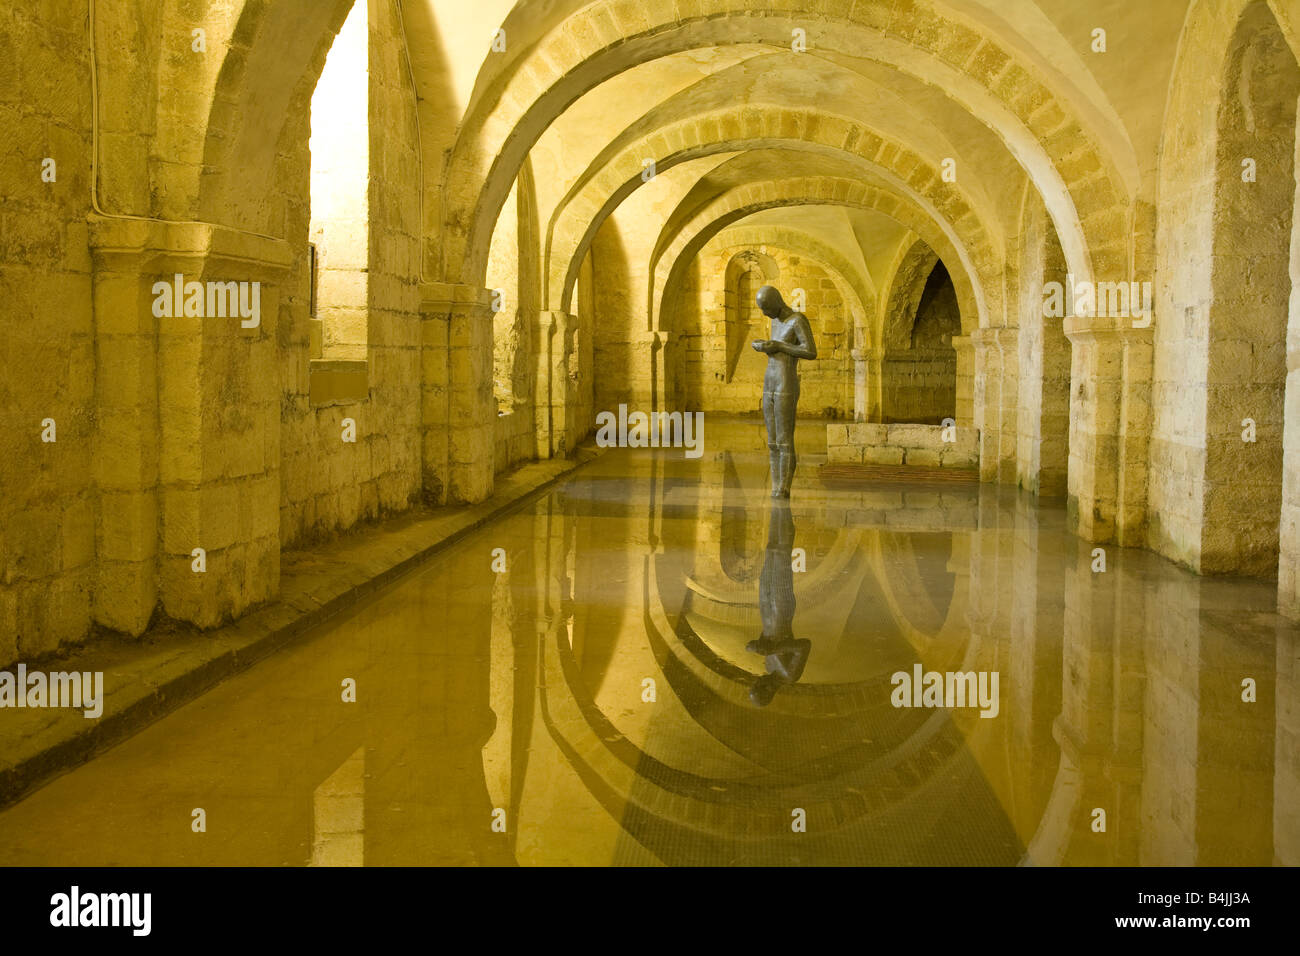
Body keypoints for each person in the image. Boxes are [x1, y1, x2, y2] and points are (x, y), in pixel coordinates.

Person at [750, 285, 817, 497]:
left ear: (777, 302)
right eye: (762, 309)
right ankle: (775, 484)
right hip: (769, 380)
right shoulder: (774, 320)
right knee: (772, 441)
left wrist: (779, 346)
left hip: (786, 381)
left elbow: (810, 351)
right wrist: (763, 345)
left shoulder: (797, 320)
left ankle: (784, 487)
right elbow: (775, 345)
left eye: (766, 308)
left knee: (784, 438)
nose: (764, 313)